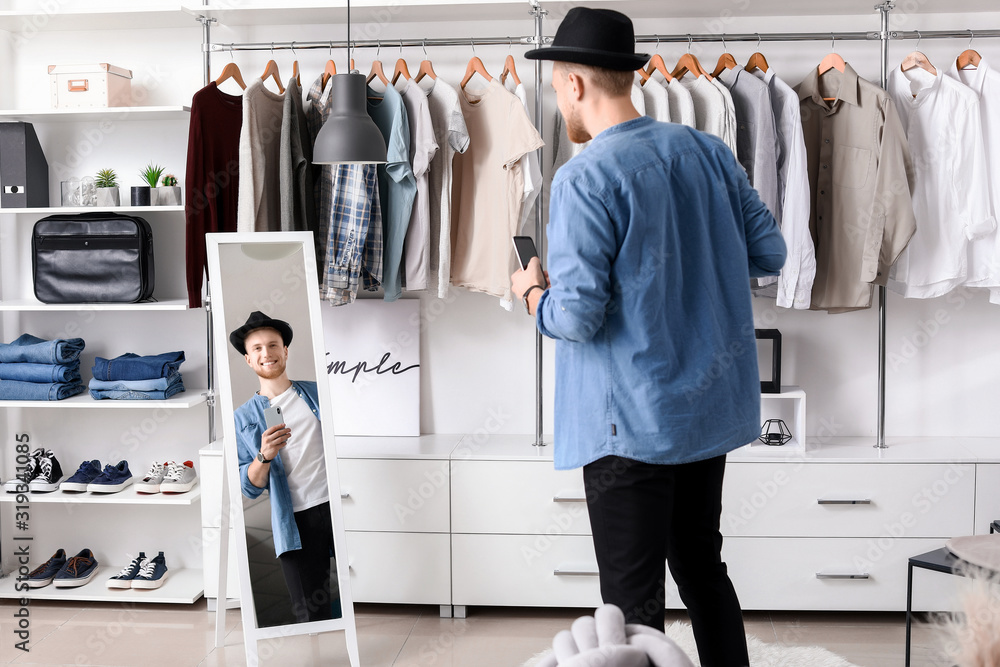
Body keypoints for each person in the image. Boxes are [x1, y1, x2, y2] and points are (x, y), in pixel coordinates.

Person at [514, 8, 787, 667]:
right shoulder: (708, 152)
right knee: (703, 569)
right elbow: (771, 252)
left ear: (575, 84)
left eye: (556, 87)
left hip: (628, 423)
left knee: (631, 607)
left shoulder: (584, 176)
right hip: (704, 413)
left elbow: (576, 316)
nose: (558, 100)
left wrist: (532, 294)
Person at [231, 310, 336, 623]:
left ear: (285, 350)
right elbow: (249, 487)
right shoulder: (243, 418)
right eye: (257, 349)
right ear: (249, 360)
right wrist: (264, 456)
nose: (267, 353)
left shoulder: (318, 392)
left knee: (365, 592)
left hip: (338, 505)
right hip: (296, 521)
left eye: (273, 345)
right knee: (311, 610)